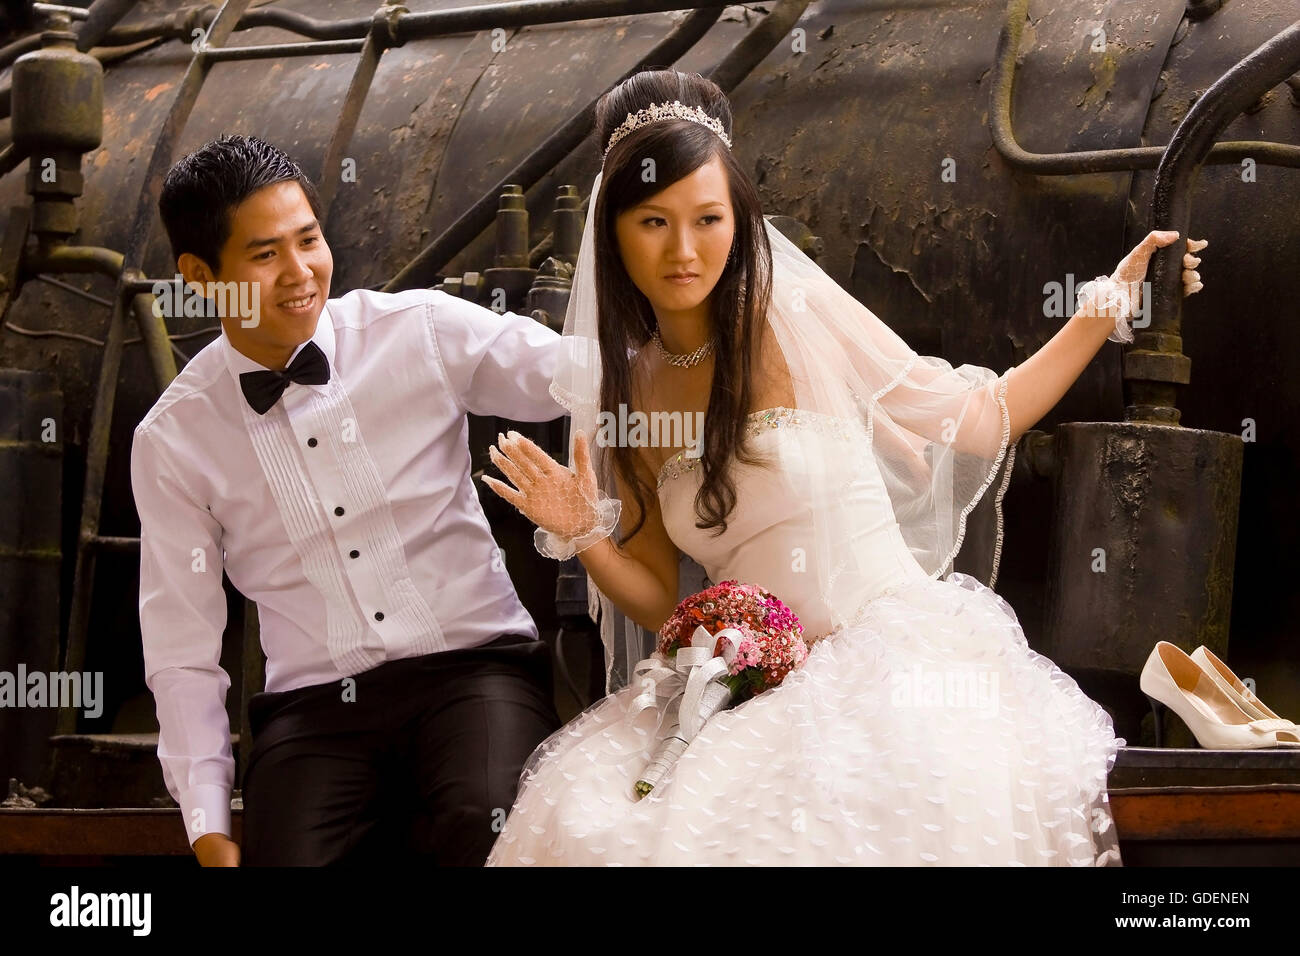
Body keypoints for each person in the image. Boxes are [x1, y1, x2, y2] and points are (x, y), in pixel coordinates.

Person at [480, 69, 1208, 866]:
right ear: (613, 233)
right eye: (653, 221)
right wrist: (584, 530)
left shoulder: (793, 316)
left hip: (887, 657)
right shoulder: (628, 390)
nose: (683, 251)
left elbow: (981, 417)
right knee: (601, 829)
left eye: (708, 219)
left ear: (740, 218)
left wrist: (1107, 303)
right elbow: (659, 597)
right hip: (743, 689)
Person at [132, 134, 563, 866]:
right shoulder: (173, 438)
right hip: (314, 711)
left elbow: (580, 374)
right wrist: (206, 825)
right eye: (266, 255)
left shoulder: (420, 330)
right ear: (202, 276)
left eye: (310, 240)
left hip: (474, 669)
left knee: (487, 825)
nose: (301, 273)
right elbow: (181, 649)